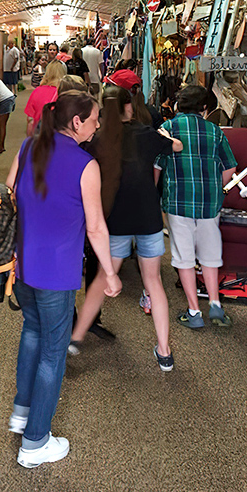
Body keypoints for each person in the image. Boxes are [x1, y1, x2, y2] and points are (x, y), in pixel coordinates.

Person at [6, 91, 122, 468]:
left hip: (24, 266)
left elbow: (8, 196)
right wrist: (109, 273)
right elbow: (96, 227)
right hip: (57, 273)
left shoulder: (28, 147)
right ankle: (35, 442)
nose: (97, 125)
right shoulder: (86, 165)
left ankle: (22, 412)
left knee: (32, 332)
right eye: (94, 119)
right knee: (53, 354)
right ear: (76, 122)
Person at [70, 86, 182, 371]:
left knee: (102, 280)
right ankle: (164, 351)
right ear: (128, 107)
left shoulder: (97, 140)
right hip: (148, 218)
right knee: (153, 282)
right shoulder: (146, 134)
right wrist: (165, 135)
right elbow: (177, 146)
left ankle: (77, 337)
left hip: (115, 220)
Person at [156, 85, 237, 329]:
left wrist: (153, 194)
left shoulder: (168, 129)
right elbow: (230, 167)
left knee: (184, 257)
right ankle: (215, 304)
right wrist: (216, 188)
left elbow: (156, 167)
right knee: (210, 254)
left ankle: (194, 312)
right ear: (204, 108)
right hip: (209, 204)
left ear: (179, 105)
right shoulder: (215, 131)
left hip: (178, 202)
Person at [24, 60, 67, 136]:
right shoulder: (64, 93)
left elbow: (30, 120)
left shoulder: (37, 91)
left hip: (40, 135)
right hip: (59, 135)